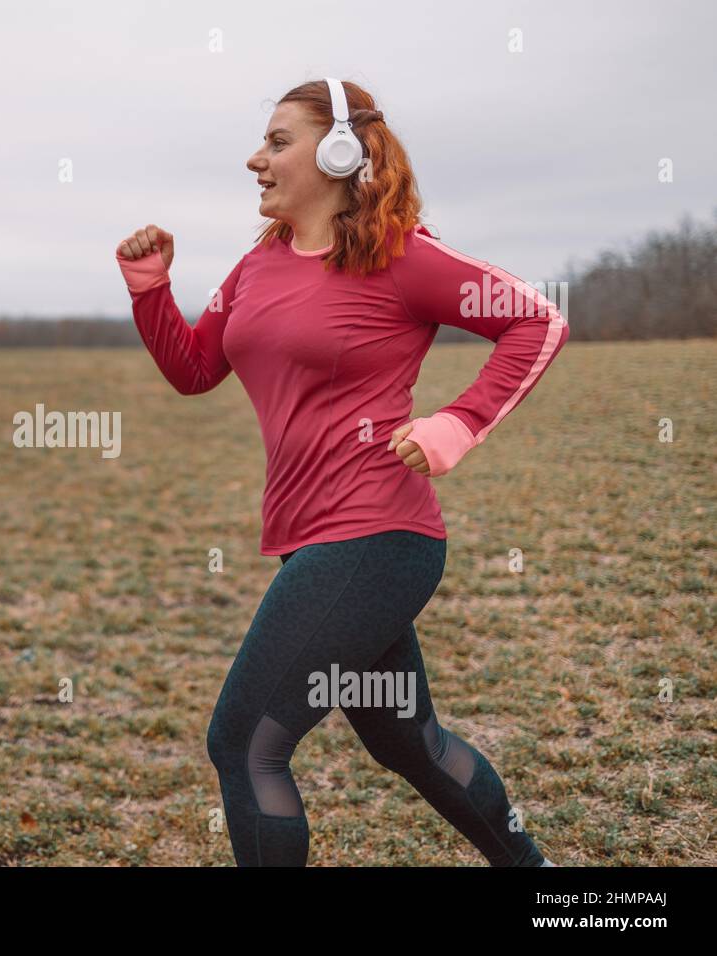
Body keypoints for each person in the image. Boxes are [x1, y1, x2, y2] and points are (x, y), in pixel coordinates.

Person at [114, 78, 568, 866]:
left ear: (337, 153)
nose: (256, 159)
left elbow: (536, 319)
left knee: (245, 744)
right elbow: (194, 369)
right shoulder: (259, 266)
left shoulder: (404, 256)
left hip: (378, 537)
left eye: (278, 142)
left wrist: (459, 422)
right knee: (411, 743)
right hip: (315, 541)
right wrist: (152, 292)